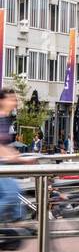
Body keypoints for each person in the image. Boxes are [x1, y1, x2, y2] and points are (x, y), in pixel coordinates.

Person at [0, 89, 32, 235]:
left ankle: (18, 221)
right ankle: (18, 221)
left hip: (3, 165)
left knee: (15, 191)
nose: (15, 102)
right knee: (12, 193)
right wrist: (19, 159)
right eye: (11, 99)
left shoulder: (5, 118)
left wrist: (16, 155)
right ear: (2, 101)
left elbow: (4, 145)